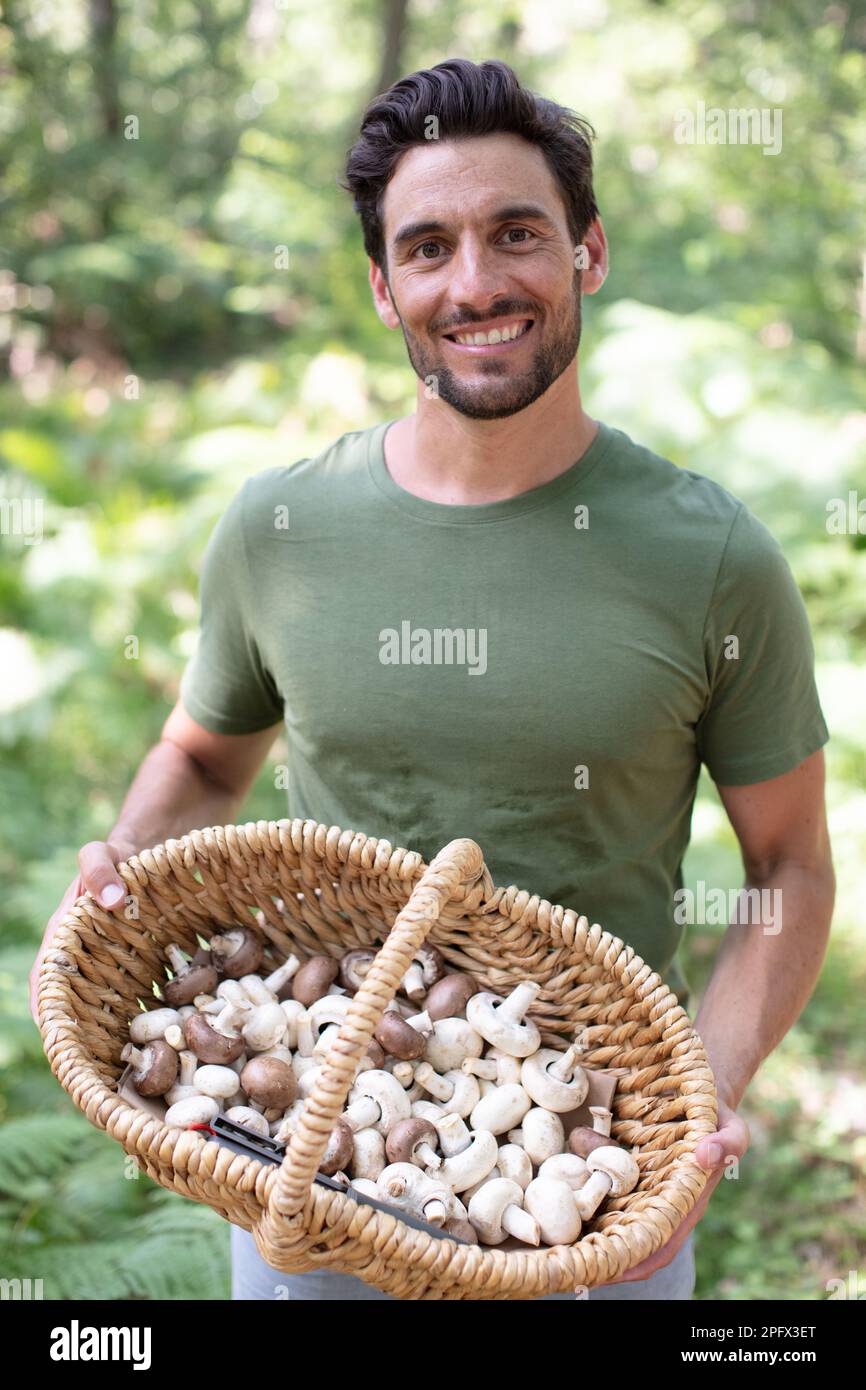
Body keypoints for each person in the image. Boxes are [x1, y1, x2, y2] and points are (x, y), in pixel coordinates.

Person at [31, 58, 835, 1302]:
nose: (475, 283)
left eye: (517, 233)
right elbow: (201, 755)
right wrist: (127, 851)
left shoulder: (712, 557)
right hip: (308, 1165)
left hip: (587, 1176)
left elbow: (789, 862)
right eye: (427, 246)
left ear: (589, 253)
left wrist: (704, 1097)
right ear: (379, 285)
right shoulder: (278, 528)